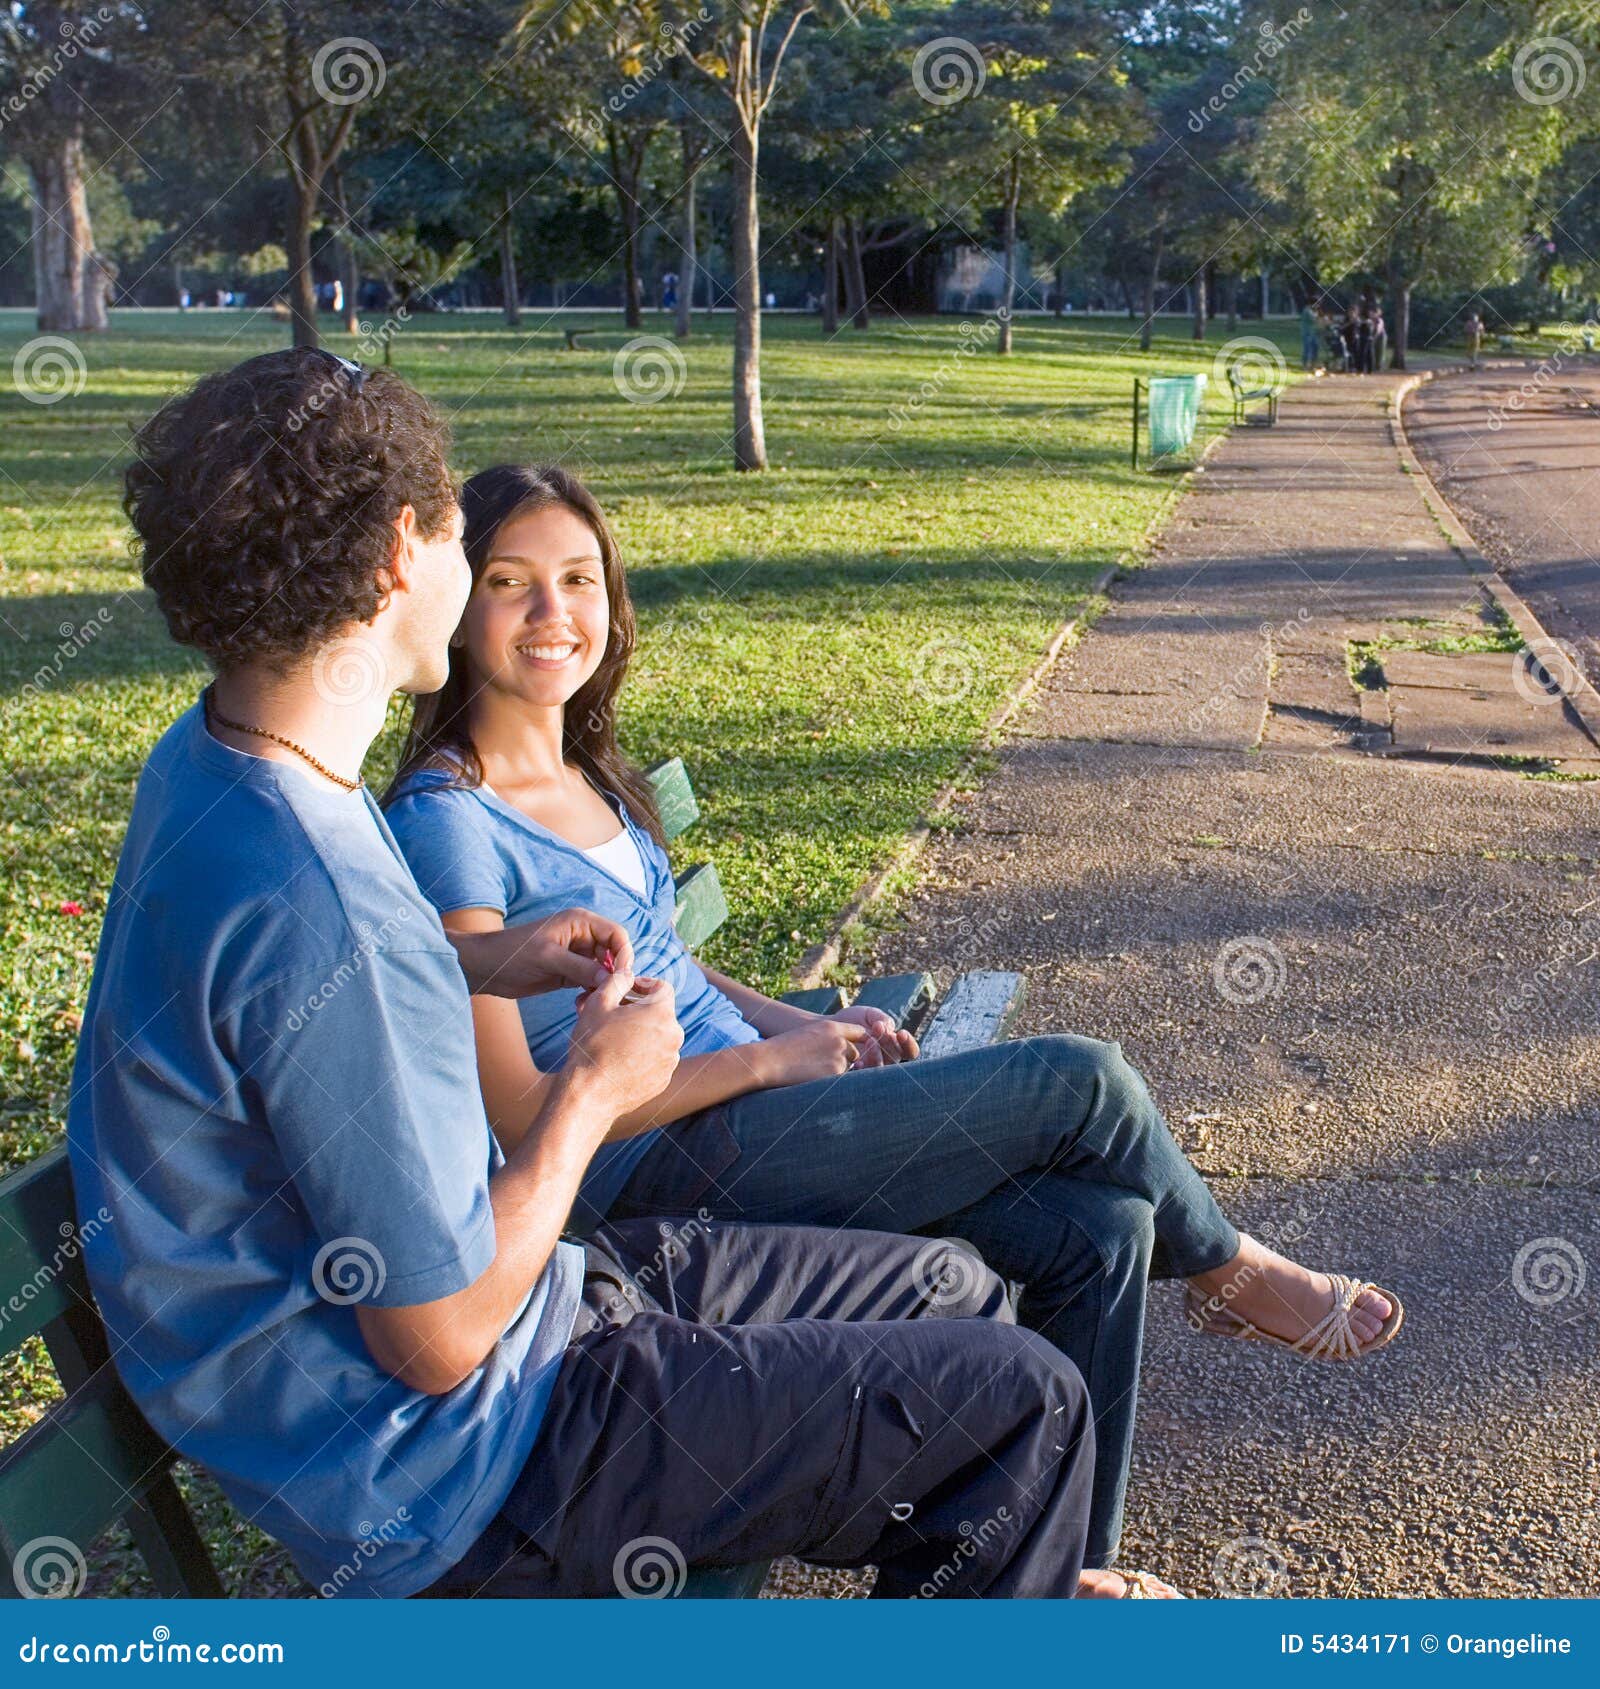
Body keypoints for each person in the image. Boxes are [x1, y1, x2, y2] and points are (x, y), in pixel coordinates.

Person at [65, 348, 1113, 1603]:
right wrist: (591, 1097)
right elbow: (441, 1340)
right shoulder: (327, 901)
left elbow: (283, 1001)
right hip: (460, 1473)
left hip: (502, 1330)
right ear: (406, 551)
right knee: (1025, 1403)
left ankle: (1023, 1593)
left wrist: (477, 954)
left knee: (953, 1288)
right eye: (460, 522)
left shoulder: (220, 761)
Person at [382, 463, 1409, 1580]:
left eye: (578, 580)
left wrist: (808, 1025)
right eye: (510, 581)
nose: (553, 614)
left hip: (750, 1120)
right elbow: (529, 1114)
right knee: (1084, 1079)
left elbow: (675, 968)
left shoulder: (584, 769)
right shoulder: (451, 821)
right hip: (650, 1174)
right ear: (454, 598)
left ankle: (1062, 1566)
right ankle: (1227, 1271)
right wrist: (776, 1062)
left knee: (1103, 1230)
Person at [1300, 298, 1320, 370]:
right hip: (1307, 333)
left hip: (1313, 333)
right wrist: (1317, 313)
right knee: (1307, 349)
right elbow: (1314, 319)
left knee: (1315, 347)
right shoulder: (1307, 310)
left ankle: (1313, 365)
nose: (1318, 306)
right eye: (1317, 304)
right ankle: (1305, 366)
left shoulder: (1311, 311)